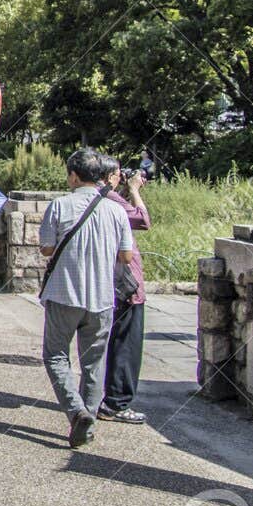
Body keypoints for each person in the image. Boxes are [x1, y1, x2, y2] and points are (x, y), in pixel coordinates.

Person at [39, 147, 136, 448]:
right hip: (102, 297)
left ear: (73, 175)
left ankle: (76, 411)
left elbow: (45, 248)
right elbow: (126, 255)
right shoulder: (117, 210)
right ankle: (88, 420)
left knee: (56, 356)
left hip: (63, 294)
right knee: (93, 362)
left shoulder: (59, 205)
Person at [100, 156, 151, 424]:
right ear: (109, 177)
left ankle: (102, 397)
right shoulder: (111, 198)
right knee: (127, 344)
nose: (121, 178)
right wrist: (133, 191)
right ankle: (117, 402)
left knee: (108, 341)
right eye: (118, 175)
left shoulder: (96, 198)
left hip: (106, 282)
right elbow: (142, 219)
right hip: (126, 284)